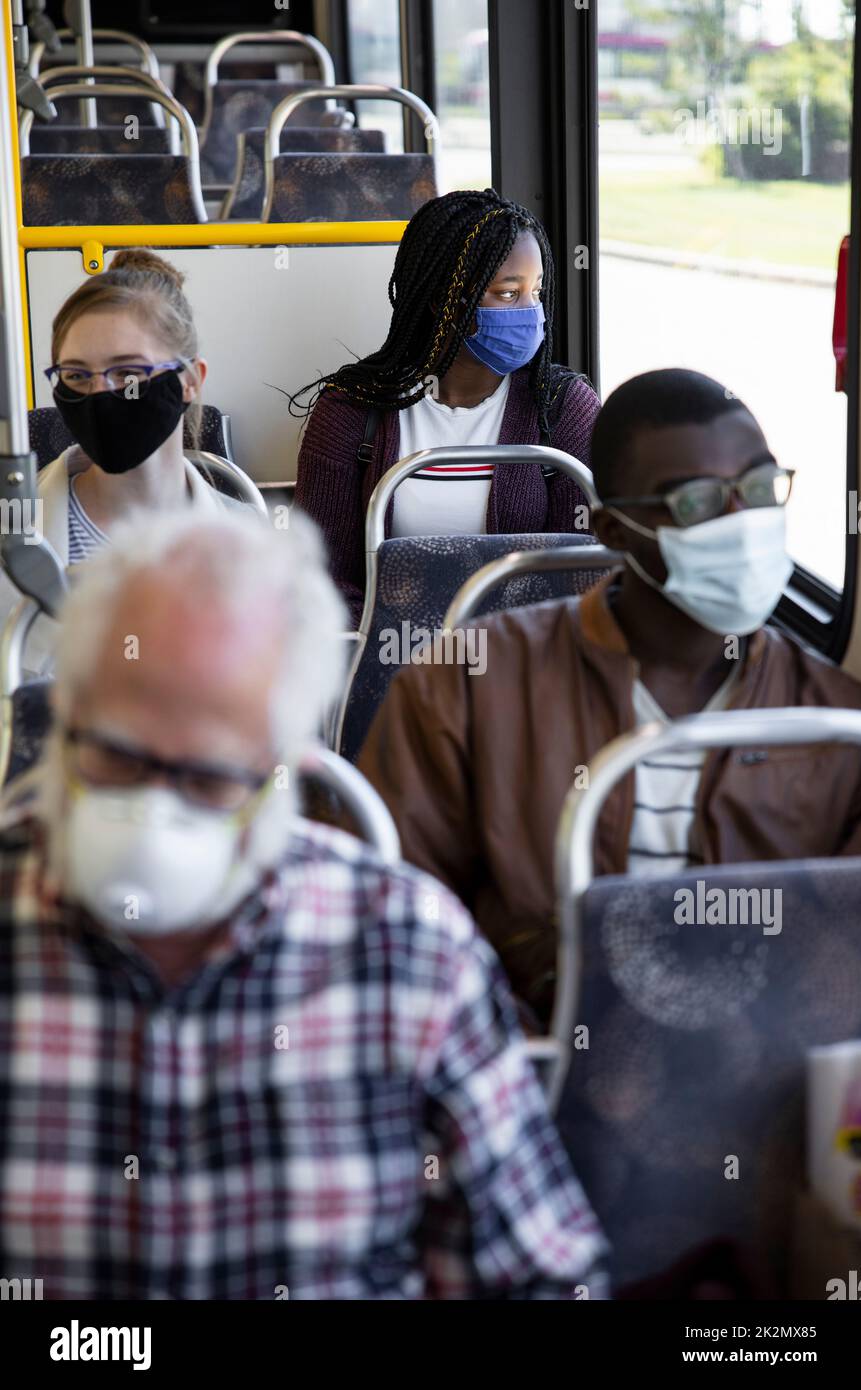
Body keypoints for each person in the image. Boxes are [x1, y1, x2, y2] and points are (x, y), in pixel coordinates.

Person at [0, 507, 607, 1300]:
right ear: (66, 719)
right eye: (116, 754)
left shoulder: (407, 955)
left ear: (282, 769)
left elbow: (539, 1279)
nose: (154, 809)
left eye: (210, 776)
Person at [357, 369, 861, 1025]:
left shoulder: (836, 726)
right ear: (614, 531)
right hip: (527, 1063)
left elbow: (844, 967)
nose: (745, 524)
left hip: (768, 1085)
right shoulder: (463, 687)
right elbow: (398, 930)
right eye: (697, 503)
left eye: (761, 489)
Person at [292, 189, 600, 626]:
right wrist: (402, 657)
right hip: (394, 665)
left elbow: (585, 574)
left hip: (526, 661)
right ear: (445, 302)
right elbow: (323, 579)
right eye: (509, 294)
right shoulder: (352, 412)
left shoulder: (562, 409)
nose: (532, 313)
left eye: (537, 292)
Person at [0, 248, 256, 676]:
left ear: (190, 381)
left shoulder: (250, 539)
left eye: (128, 375)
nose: (100, 394)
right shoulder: (15, 539)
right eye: (77, 375)